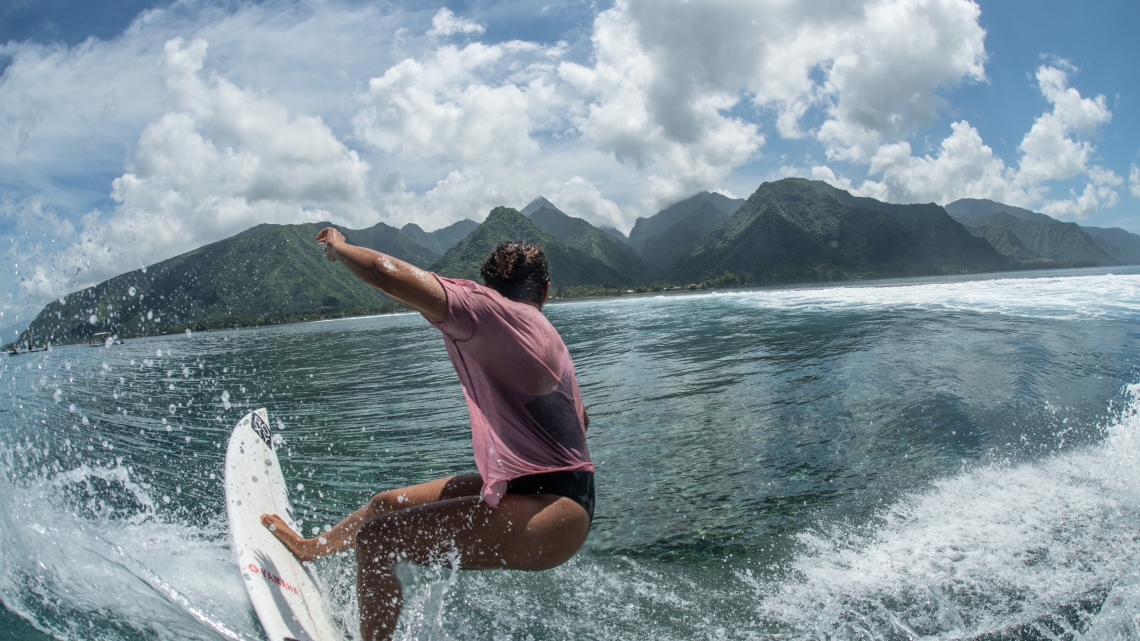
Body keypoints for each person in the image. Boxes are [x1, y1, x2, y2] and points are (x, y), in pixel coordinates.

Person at [260, 227, 595, 641]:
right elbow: (581, 421)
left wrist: (338, 247)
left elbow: (384, 272)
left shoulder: (487, 310)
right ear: (544, 290)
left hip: (553, 511)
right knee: (384, 505)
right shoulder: (547, 335)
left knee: (378, 539)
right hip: (546, 491)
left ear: (489, 287)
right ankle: (312, 548)